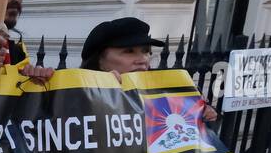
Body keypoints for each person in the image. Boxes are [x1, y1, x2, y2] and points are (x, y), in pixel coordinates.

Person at [81, 16, 218, 122]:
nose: (142, 59)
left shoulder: (166, 90)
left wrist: (204, 112)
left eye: (146, 51)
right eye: (129, 51)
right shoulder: (77, 92)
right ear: (99, 60)